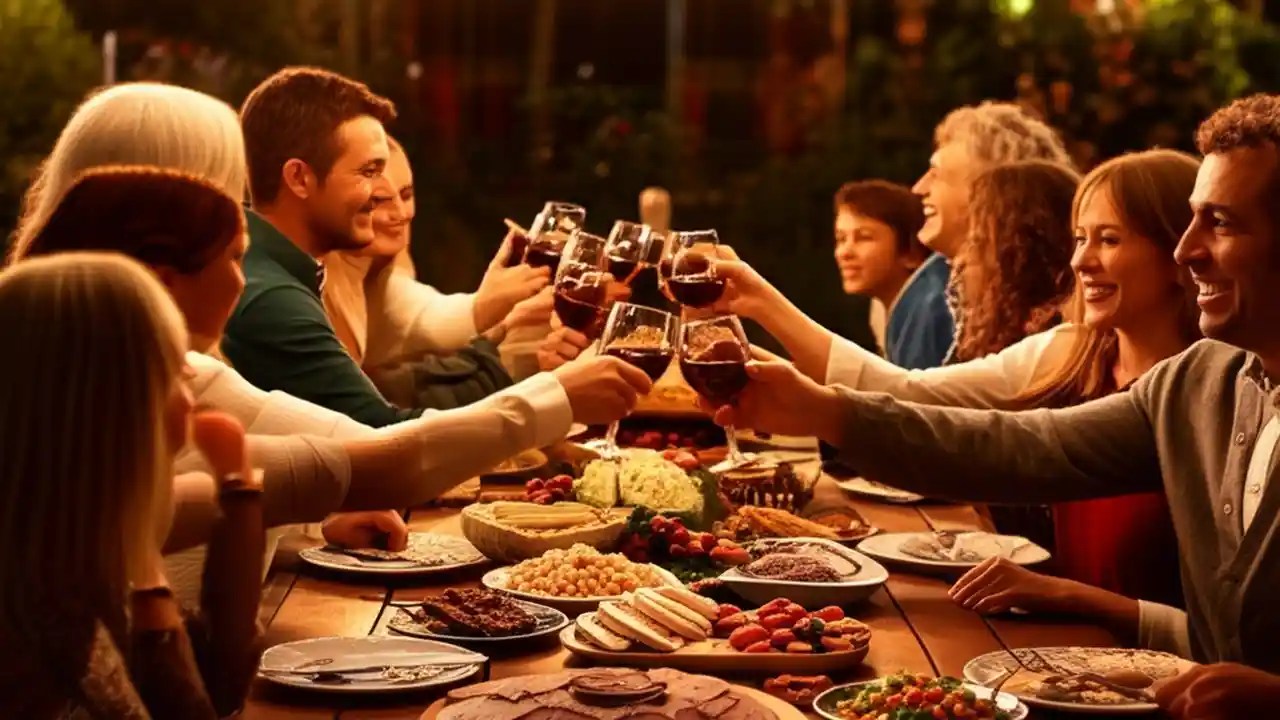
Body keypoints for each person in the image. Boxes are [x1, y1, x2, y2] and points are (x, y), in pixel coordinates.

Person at [707, 94, 1280, 673]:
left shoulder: (1188, 372)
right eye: (1192, 221)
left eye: (1222, 223)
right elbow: (1016, 446)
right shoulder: (1202, 380)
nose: (1189, 250)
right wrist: (826, 411)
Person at [13, 164, 648, 603]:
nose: (246, 280)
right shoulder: (183, 384)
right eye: (235, 260)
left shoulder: (67, 411)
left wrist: (304, 528)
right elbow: (388, 456)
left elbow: (225, 503)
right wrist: (558, 393)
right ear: (162, 278)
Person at [713, 149, 1196, 612]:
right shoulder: (1072, 352)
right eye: (1079, 239)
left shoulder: (1210, 395)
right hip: (1060, 646)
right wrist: (766, 328)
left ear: (1184, 252)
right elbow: (926, 407)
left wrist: (814, 397)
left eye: (1108, 240)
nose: (1080, 262)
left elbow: (985, 444)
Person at [0, 253, 264, 718]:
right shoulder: (27, 622)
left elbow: (217, 686)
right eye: (171, 375)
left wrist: (238, 490)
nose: (188, 402)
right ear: (110, 404)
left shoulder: (66, 557)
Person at [223, 66, 547, 425]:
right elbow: (385, 437)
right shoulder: (272, 297)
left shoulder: (270, 267)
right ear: (300, 178)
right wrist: (557, 397)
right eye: (368, 171)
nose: (381, 195)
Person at [322, 137, 553, 409]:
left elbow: (425, 317)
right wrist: (489, 309)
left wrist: (506, 317)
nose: (400, 213)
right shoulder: (309, 285)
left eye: (406, 195)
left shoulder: (380, 273)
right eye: (379, 200)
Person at [912, 101, 1074, 364]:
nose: (919, 188)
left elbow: (916, 394)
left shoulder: (1042, 331)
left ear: (998, 192)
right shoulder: (965, 303)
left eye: (937, 175)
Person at [950, 160, 1079, 363]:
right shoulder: (999, 327)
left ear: (1021, 248)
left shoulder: (1050, 342)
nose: (961, 260)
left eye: (978, 242)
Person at [830, 180, 934, 367]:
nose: (845, 252)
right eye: (841, 239)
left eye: (864, 237)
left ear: (911, 253)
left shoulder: (932, 312)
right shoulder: (880, 310)